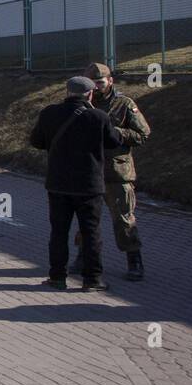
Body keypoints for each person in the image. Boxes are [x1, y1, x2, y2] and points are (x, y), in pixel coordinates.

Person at [29, 75, 127, 291]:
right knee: (91, 233)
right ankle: (92, 279)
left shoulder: (49, 114)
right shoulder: (99, 117)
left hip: (58, 183)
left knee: (59, 232)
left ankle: (57, 277)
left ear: (67, 92)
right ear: (91, 93)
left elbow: (36, 141)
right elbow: (114, 142)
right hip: (89, 185)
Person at [71, 62, 151, 281]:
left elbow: (142, 134)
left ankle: (134, 260)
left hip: (117, 171)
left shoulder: (123, 104)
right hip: (89, 172)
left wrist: (114, 132)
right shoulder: (82, 104)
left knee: (124, 219)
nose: (95, 87)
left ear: (110, 81)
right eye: (91, 83)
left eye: (100, 82)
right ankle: (83, 256)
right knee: (86, 220)